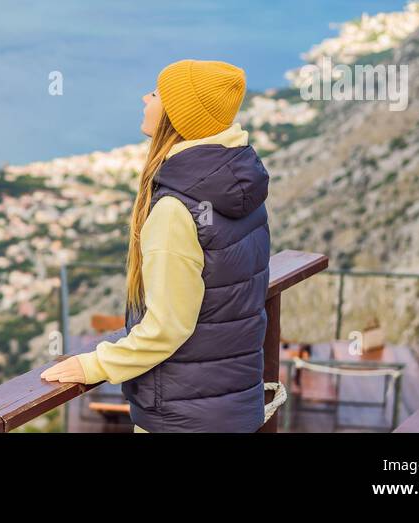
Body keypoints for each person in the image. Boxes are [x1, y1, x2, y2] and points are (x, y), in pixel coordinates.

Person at [40, 59, 271, 433]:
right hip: (231, 407)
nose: (145, 97)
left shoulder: (175, 210)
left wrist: (94, 366)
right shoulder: (238, 183)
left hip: (182, 419)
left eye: (158, 93)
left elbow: (168, 327)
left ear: (179, 115)